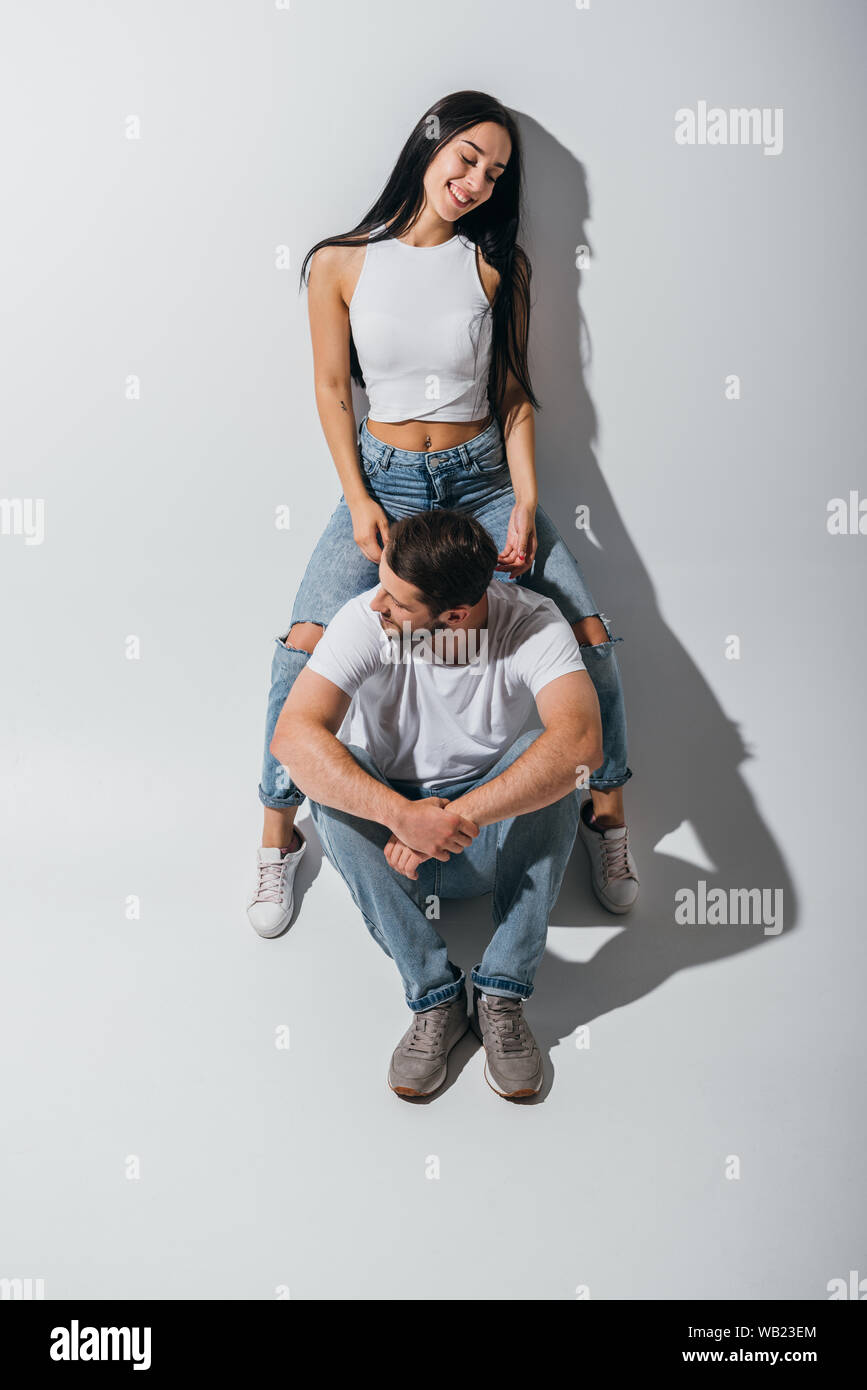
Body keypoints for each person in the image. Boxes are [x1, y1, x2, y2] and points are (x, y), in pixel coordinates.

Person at [247, 88, 639, 939]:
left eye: (494, 174)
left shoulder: (498, 267)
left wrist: (526, 502)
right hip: (385, 478)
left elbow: (514, 397)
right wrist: (358, 497)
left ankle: (604, 819)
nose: (475, 182)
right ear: (429, 147)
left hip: (482, 480)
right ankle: (277, 835)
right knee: (305, 642)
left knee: (591, 635)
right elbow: (328, 389)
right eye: (466, 159)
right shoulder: (340, 262)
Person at [271, 510, 605, 1099]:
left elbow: (582, 741)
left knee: (550, 758)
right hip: (397, 849)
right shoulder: (366, 619)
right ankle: (436, 998)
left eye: (399, 603)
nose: (378, 605)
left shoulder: (531, 623)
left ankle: (502, 993)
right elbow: (292, 738)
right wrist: (402, 816)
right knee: (333, 771)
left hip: (487, 840)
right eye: (383, 587)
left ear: (454, 615)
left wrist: (462, 815)